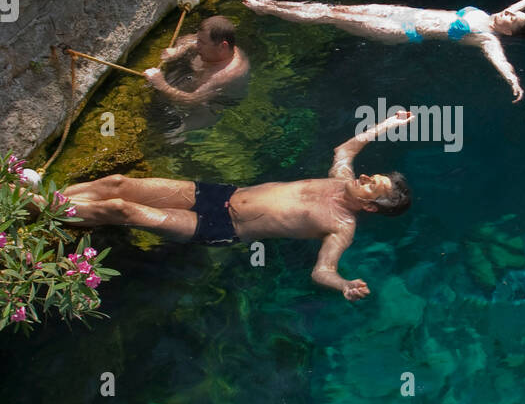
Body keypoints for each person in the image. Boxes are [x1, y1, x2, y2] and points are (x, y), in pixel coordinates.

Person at [62, 111, 414, 301]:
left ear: (370, 209)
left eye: (372, 186)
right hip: (219, 194)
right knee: (118, 184)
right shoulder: (339, 179)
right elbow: (345, 151)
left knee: (123, 210)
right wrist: (387, 125)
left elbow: (321, 271)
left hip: (221, 229)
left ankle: (40, 207)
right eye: (372, 176)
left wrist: (343, 284)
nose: (365, 178)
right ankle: (53, 195)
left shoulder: (341, 227)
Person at [242, 0, 525, 103]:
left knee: (331, 17)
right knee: (333, 8)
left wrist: (512, 79)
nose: (511, 13)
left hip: (401, 32)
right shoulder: (491, 14)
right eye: (513, 13)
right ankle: (272, 4)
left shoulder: (487, 37)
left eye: (513, 20)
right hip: (403, 12)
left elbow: (500, 60)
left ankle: (265, 9)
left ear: (510, 32)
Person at [144, 15, 249, 110]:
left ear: (223, 46)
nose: (196, 44)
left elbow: (192, 100)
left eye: (201, 42)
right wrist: (178, 50)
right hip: (195, 74)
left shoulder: (224, 75)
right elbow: (190, 39)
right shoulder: (216, 45)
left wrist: (161, 84)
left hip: (213, 106)